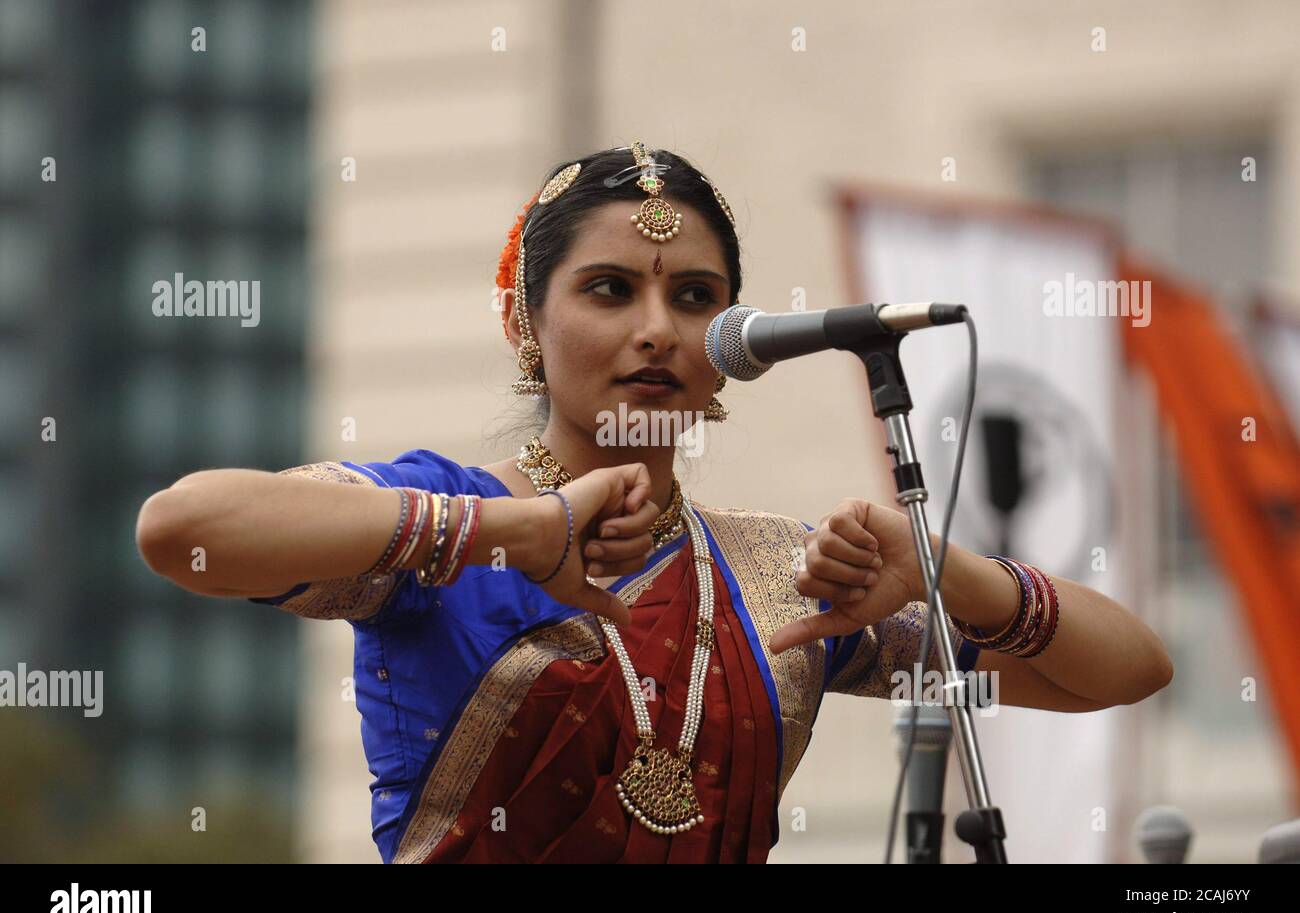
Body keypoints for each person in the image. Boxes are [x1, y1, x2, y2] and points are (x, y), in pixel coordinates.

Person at [135, 141, 1174, 863]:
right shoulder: (450, 518)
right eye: (607, 289)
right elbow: (184, 531)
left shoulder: (781, 574)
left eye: (693, 298)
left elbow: (1124, 669)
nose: (656, 330)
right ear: (524, 324)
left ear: (734, 344)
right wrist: (512, 530)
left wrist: (949, 571)